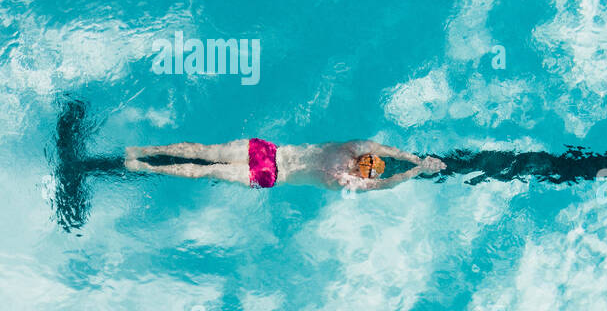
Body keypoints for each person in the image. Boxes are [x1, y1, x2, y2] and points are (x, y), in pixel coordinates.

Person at [123, 138, 446, 190]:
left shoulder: (347, 170)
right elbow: (385, 175)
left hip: (270, 166)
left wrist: (416, 166)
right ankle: (143, 153)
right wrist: (417, 163)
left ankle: (146, 163)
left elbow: (385, 181)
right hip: (270, 157)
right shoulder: (351, 159)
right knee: (205, 156)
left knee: (205, 164)